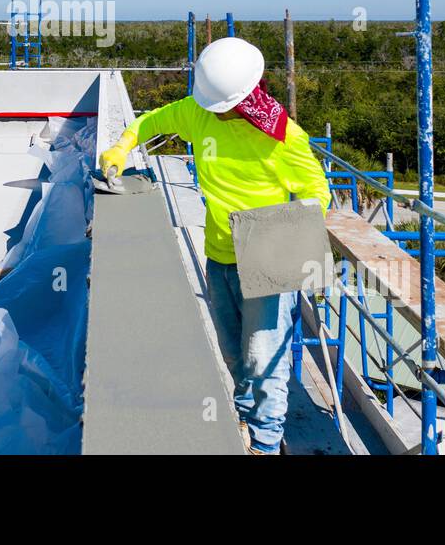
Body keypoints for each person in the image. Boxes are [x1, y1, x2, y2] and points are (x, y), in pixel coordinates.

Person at [98, 36, 330, 454]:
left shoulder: (283, 136)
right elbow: (150, 123)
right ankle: (243, 420)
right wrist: (120, 148)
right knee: (233, 352)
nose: (216, 115)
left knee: (264, 360)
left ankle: (264, 443)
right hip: (220, 254)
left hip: (268, 257)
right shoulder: (198, 113)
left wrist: (288, 242)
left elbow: (317, 192)